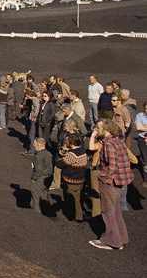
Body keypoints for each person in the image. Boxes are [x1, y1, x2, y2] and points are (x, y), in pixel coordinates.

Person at [89, 120, 132, 250]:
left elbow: (112, 166)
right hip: (120, 181)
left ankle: (111, 241)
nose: (96, 130)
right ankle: (121, 238)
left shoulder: (108, 144)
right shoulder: (118, 141)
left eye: (98, 128)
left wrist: (102, 176)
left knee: (108, 211)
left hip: (110, 181)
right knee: (116, 210)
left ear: (106, 129)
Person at [55, 131, 88, 222]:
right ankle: (77, 215)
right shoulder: (82, 152)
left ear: (71, 142)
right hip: (80, 180)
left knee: (73, 201)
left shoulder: (71, 155)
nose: (65, 142)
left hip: (71, 181)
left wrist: (62, 155)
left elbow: (59, 164)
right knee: (78, 199)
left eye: (67, 141)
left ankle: (76, 217)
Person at [30, 138, 52, 215]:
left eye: (34, 143)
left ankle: (36, 215)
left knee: (36, 198)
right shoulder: (48, 154)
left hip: (40, 178)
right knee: (44, 195)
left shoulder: (39, 155)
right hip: (48, 178)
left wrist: (34, 178)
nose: (33, 145)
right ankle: (48, 212)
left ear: (38, 144)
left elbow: (38, 170)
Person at [135, 102, 147, 183]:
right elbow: (138, 127)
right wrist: (142, 127)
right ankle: (146, 179)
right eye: (146, 108)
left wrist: (145, 127)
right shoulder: (140, 116)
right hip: (143, 139)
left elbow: (141, 127)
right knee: (145, 159)